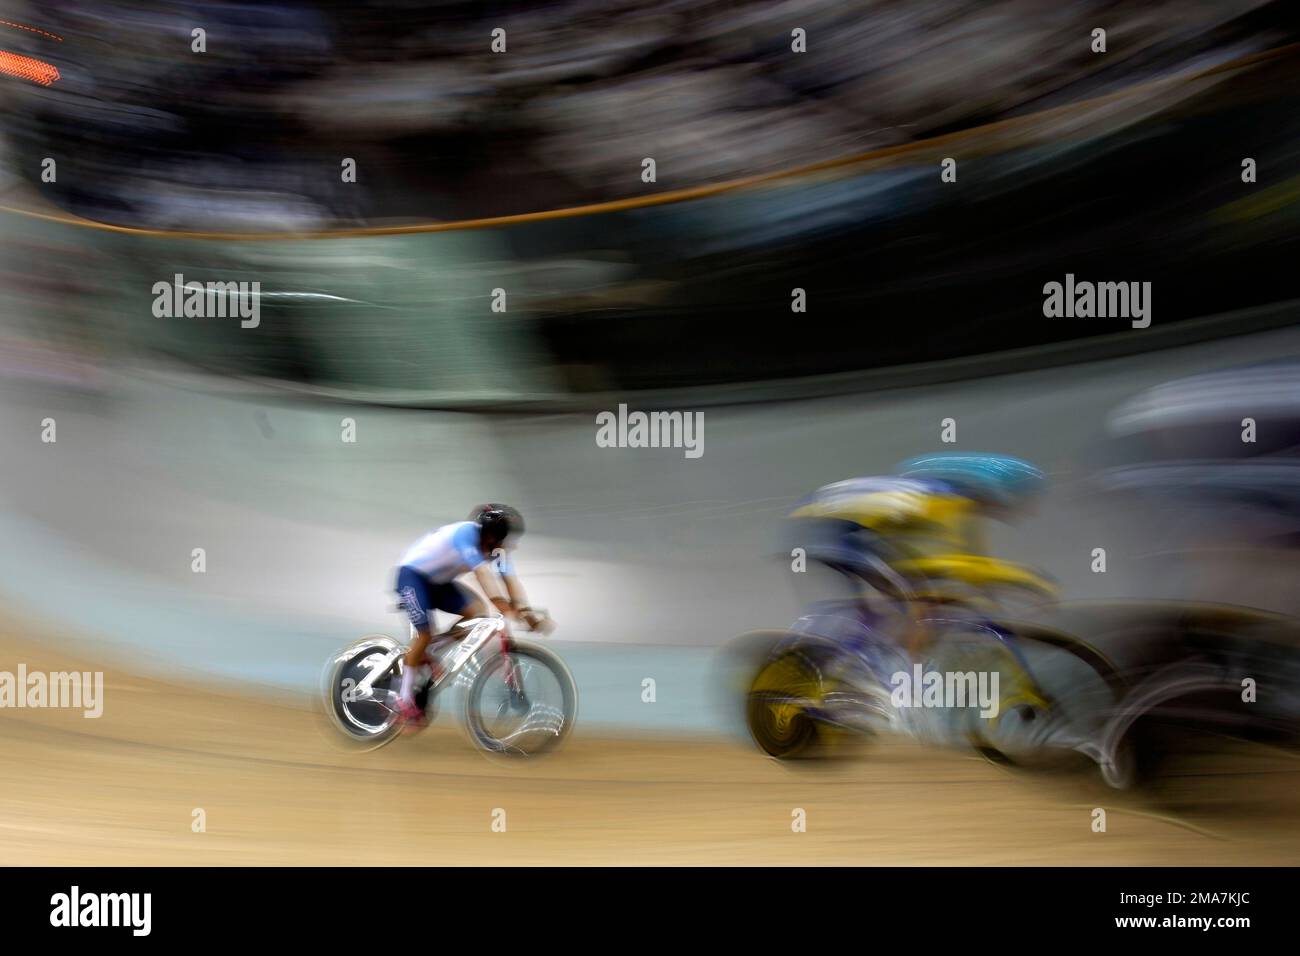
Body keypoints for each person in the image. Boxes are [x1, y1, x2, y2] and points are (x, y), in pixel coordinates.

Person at [392, 503, 545, 730]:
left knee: (477, 613)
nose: (503, 544)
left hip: (438, 583)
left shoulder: (495, 548)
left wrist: (525, 611)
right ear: (491, 536)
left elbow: (510, 580)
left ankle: (431, 650)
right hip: (412, 576)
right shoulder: (466, 534)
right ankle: (403, 699)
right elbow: (483, 575)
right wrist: (504, 606)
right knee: (424, 635)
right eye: (500, 538)